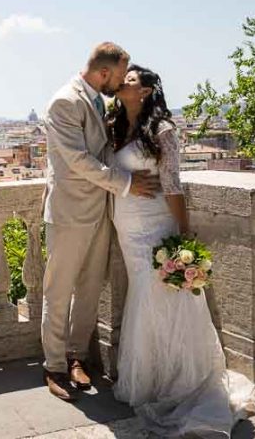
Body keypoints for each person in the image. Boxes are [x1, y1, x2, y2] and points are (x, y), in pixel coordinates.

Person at [110, 64, 255, 437]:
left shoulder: (163, 130)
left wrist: (182, 234)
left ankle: (180, 380)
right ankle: (149, 379)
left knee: (166, 298)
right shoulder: (117, 126)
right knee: (143, 296)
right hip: (126, 224)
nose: (123, 83)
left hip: (155, 224)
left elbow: (172, 184)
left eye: (130, 80)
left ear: (147, 91)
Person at [41, 43, 161, 401]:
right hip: (69, 213)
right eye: (121, 75)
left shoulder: (100, 102)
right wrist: (126, 184)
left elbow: (105, 149)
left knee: (91, 288)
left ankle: (78, 356)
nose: (123, 82)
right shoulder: (65, 101)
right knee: (59, 290)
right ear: (105, 73)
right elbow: (77, 159)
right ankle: (54, 366)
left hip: (101, 212)